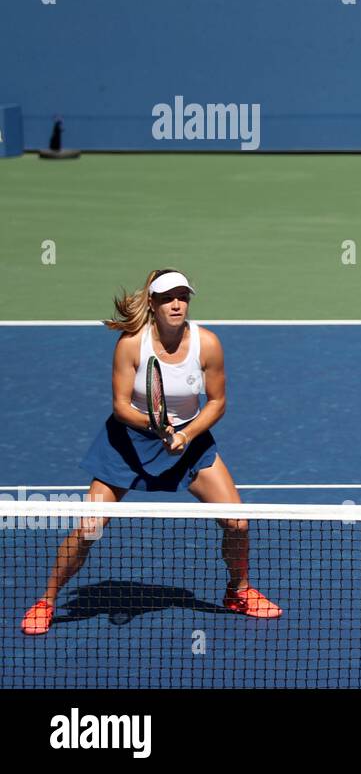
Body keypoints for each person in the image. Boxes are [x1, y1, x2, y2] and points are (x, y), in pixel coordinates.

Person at [20, 269, 280, 635]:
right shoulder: (131, 344)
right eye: (168, 298)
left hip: (188, 443)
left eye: (183, 297)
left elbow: (217, 402)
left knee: (237, 523)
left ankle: (238, 591)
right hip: (128, 444)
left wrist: (186, 434)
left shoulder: (207, 344)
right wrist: (157, 427)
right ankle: (46, 601)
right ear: (153, 303)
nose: (177, 304)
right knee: (89, 528)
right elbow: (121, 407)